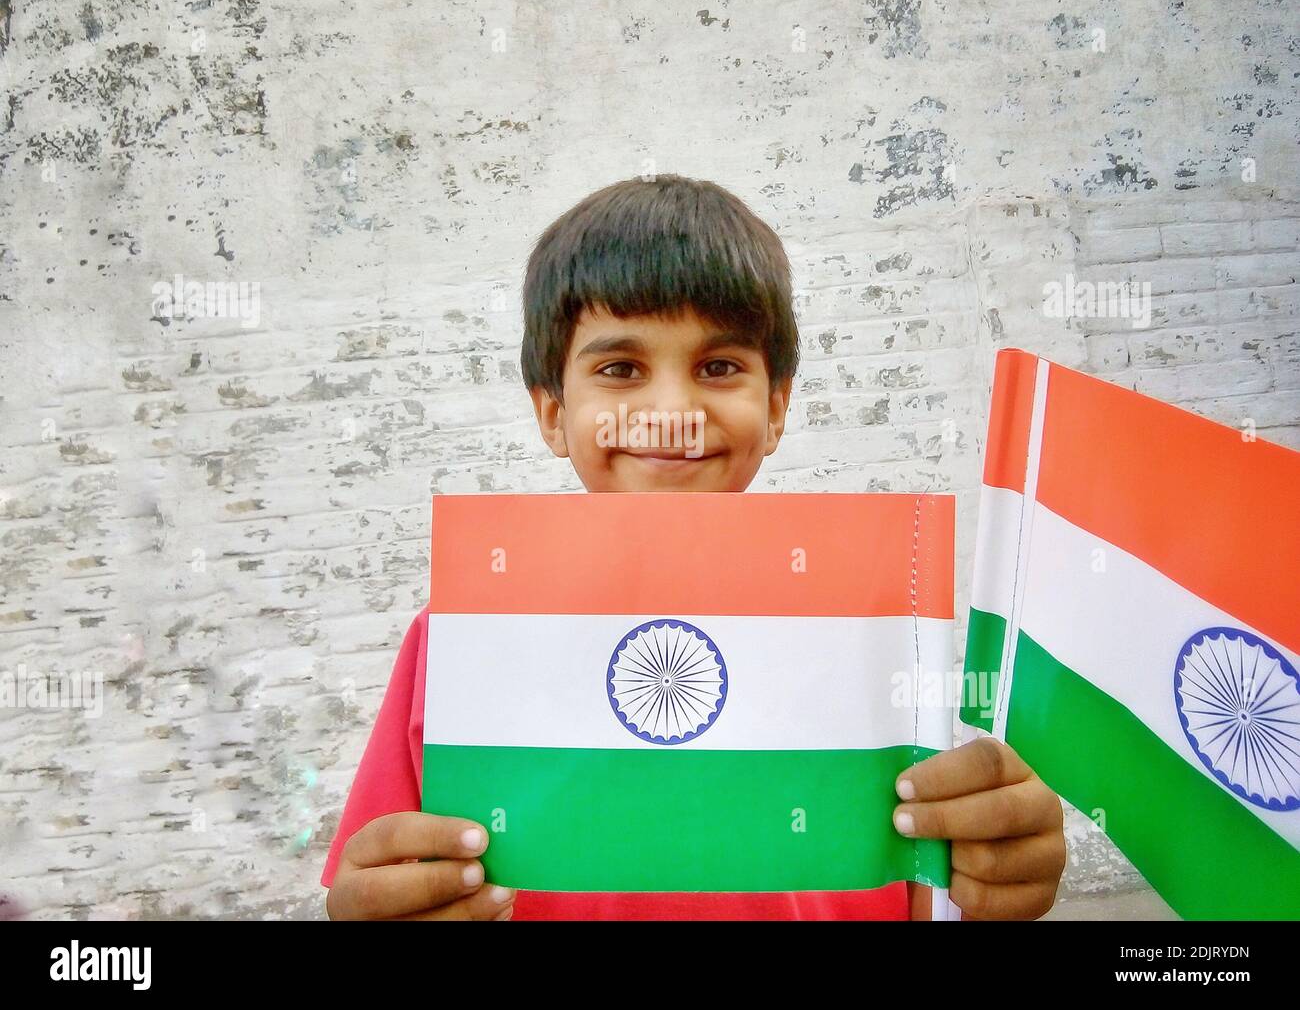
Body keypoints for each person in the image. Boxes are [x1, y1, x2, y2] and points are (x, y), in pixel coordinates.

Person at [320, 175, 1066, 920]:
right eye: (619, 370)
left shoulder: (875, 633)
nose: (671, 413)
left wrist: (993, 878)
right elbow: (384, 876)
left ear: (774, 409)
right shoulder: (459, 641)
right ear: (553, 412)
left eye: (718, 368)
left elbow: (935, 883)